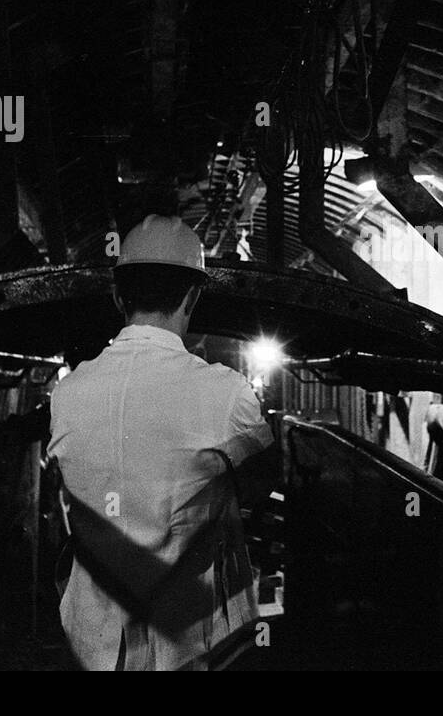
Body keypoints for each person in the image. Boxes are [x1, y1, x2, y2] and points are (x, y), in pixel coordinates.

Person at [49, 214, 279, 671]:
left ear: (118, 295)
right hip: (191, 646)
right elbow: (260, 483)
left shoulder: (67, 394)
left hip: (92, 646)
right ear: (194, 296)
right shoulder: (227, 394)